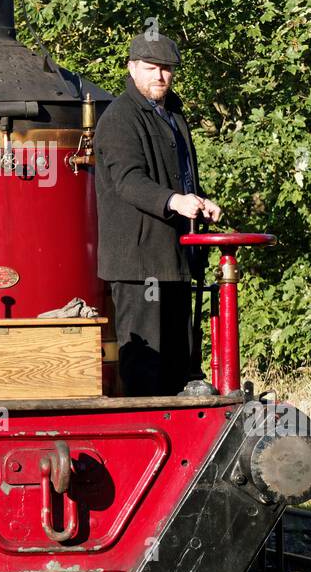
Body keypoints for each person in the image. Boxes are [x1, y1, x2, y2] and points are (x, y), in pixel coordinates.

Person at [93, 32, 222, 396]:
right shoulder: (119, 117)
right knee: (145, 368)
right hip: (137, 263)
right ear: (132, 68)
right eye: (151, 68)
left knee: (180, 368)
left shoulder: (173, 115)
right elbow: (128, 180)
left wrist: (199, 199)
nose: (160, 76)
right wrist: (174, 202)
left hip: (175, 258)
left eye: (166, 69)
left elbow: (180, 178)